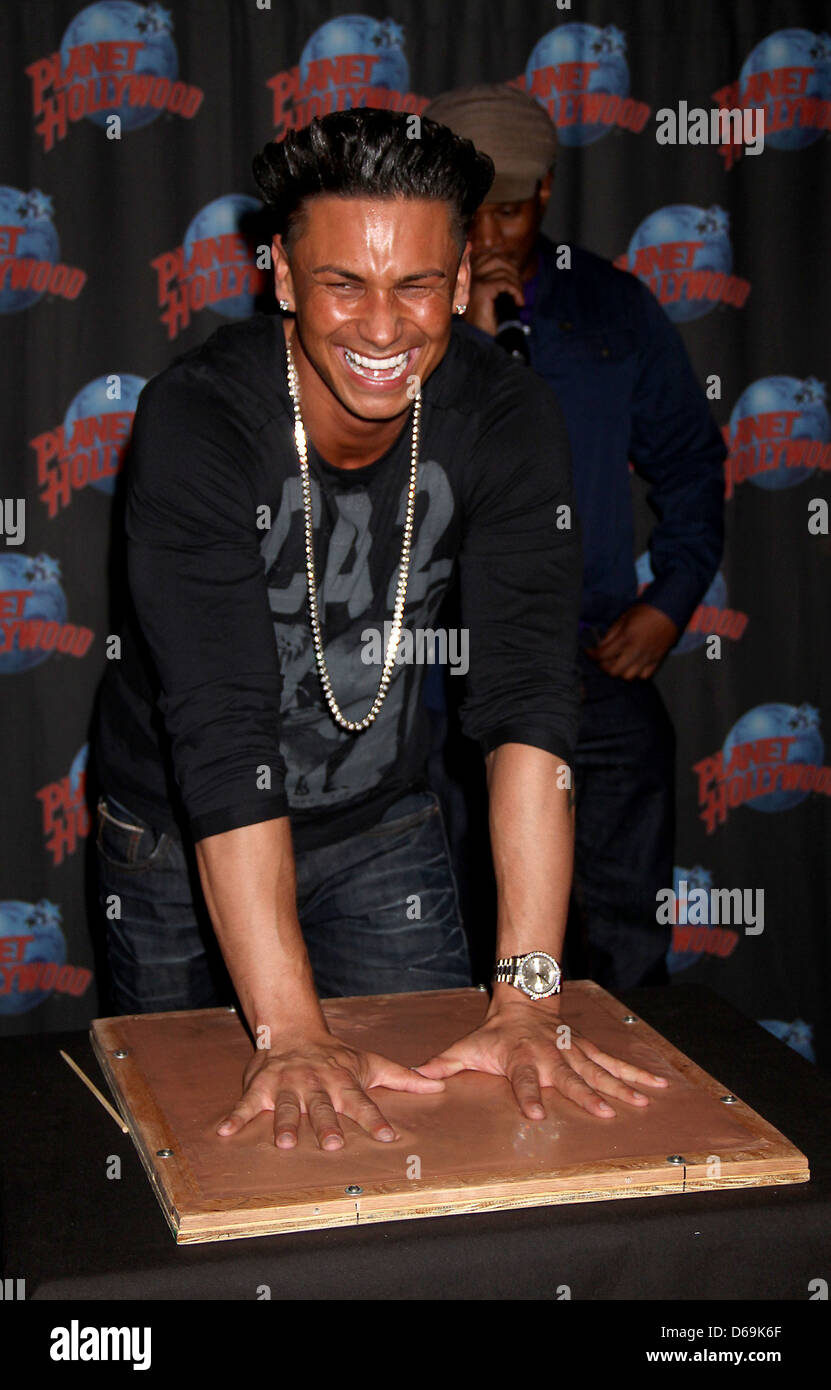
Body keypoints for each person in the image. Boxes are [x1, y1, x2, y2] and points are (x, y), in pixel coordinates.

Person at [92, 108, 668, 1154]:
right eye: (342, 283)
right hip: (180, 841)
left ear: (458, 282)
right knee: (215, 1151)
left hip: (380, 829)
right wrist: (291, 1029)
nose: (382, 328)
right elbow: (220, 740)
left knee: (448, 1137)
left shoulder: (503, 415)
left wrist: (531, 996)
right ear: (280, 276)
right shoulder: (199, 421)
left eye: (414, 285)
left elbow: (531, 703)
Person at [422, 85, 726, 992]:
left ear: (546, 193)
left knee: (625, 933)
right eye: (464, 214)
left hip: (590, 655)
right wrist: (463, 349)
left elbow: (690, 465)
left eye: (507, 212)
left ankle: (635, 1119)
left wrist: (668, 603)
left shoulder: (612, 308)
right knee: (448, 937)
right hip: (440, 667)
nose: (484, 238)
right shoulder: (394, 316)